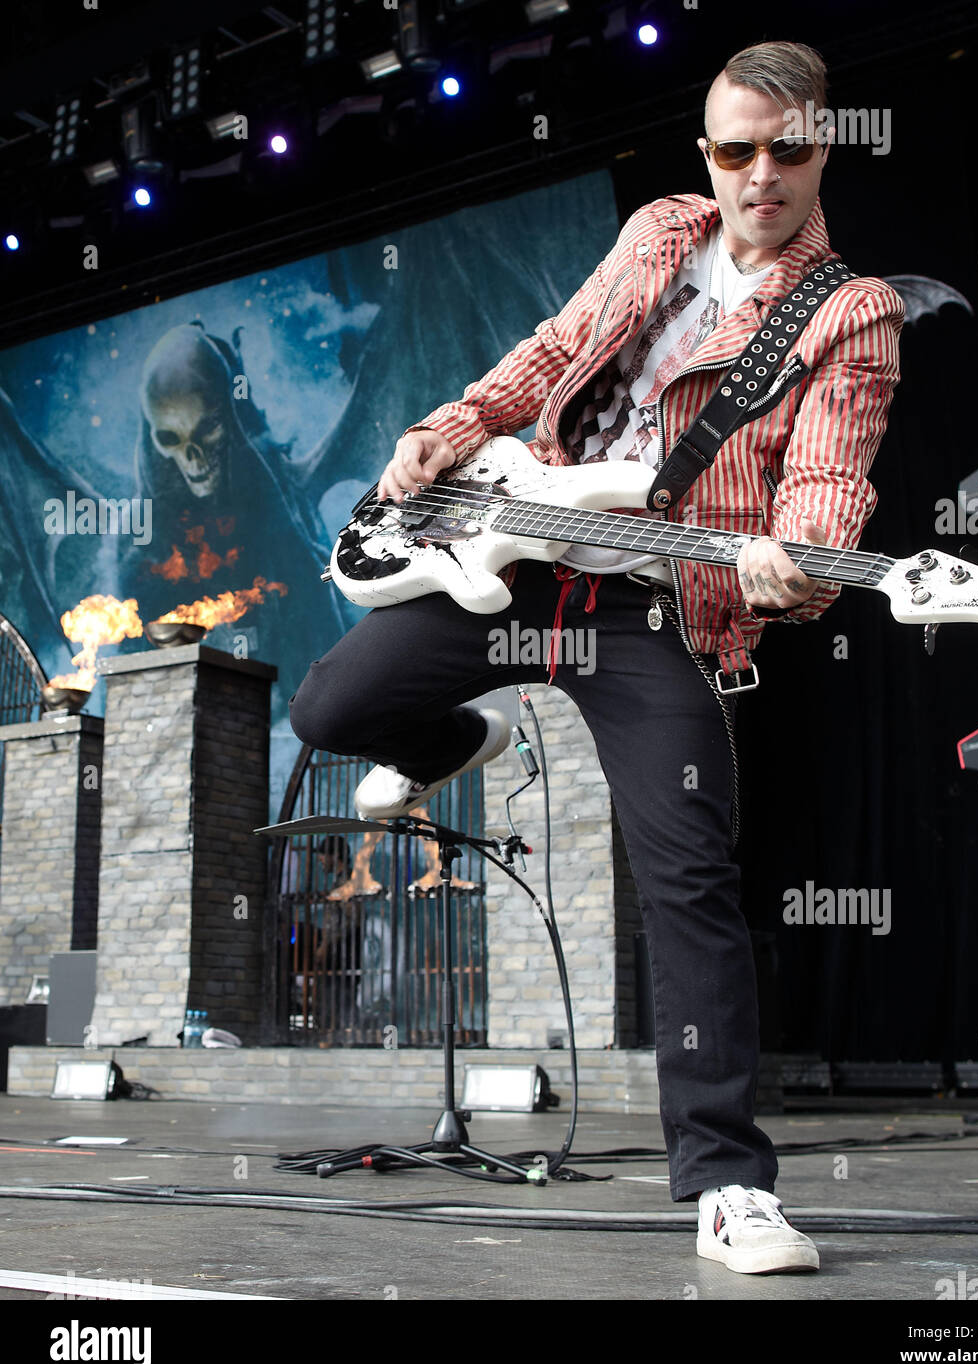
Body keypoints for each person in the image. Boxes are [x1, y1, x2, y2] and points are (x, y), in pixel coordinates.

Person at [290, 39, 905, 1274]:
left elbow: (830, 481)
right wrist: (445, 427)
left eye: (788, 148)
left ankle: (729, 1186)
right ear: (707, 155)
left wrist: (797, 563)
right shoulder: (655, 232)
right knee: (326, 708)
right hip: (515, 555)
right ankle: (460, 736)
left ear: (824, 148)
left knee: (686, 877)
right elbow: (549, 349)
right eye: (736, 148)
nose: (760, 174)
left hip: (648, 605)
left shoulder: (852, 313)